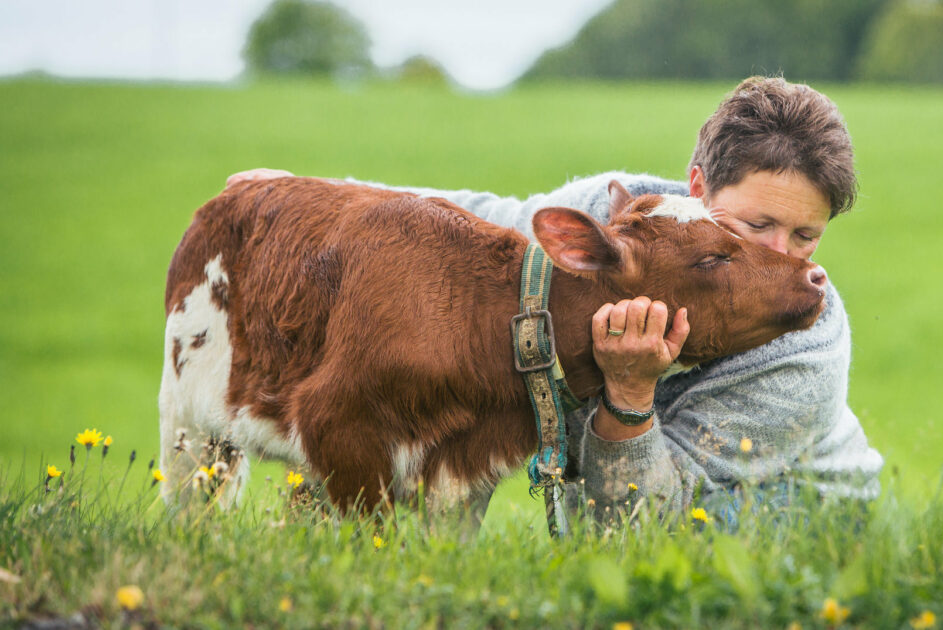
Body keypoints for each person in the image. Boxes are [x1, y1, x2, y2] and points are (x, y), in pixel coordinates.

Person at [226, 76, 883, 525]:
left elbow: (642, 527)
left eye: (805, 236)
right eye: (754, 226)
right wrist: (315, 192)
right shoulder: (617, 217)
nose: (781, 254)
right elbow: (483, 226)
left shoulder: (800, 349)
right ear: (697, 186)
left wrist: (629, 394)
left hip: (782, 512)